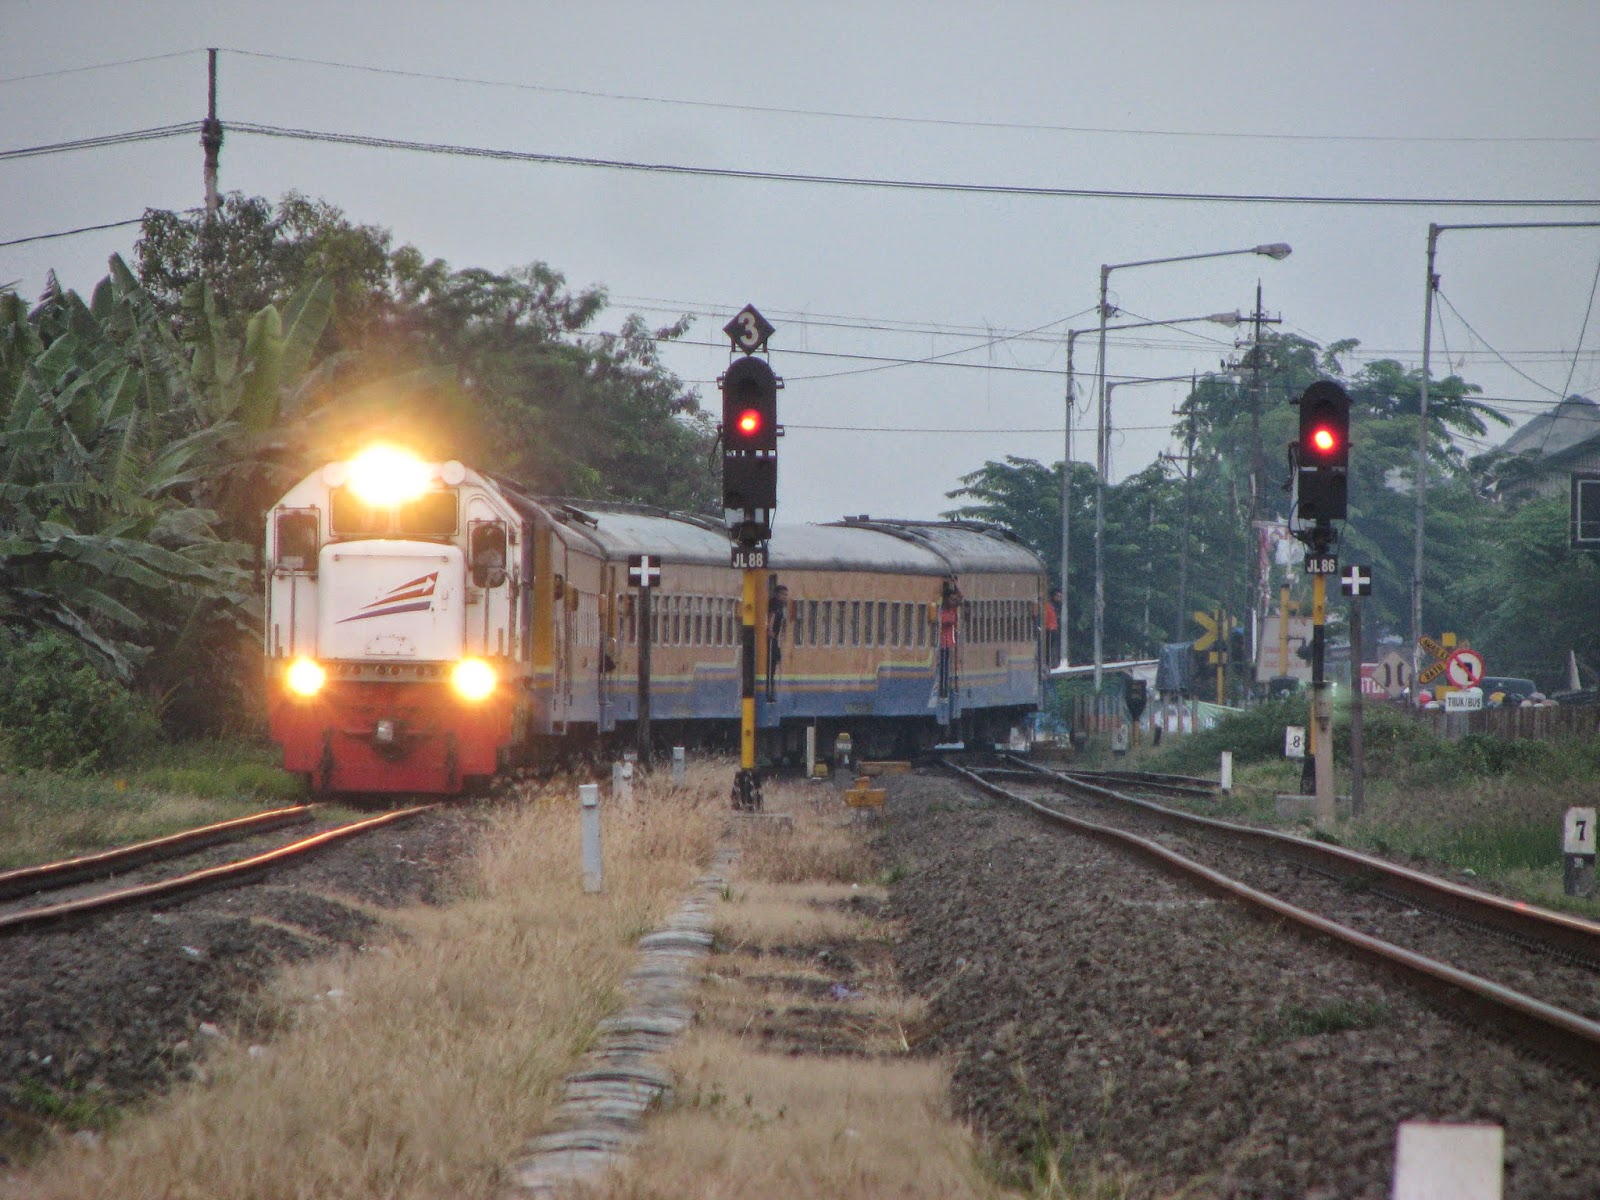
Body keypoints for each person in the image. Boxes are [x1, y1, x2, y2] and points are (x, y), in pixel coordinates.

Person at [1044, 587, 1062, 666]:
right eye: (1058, 596)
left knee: (1051, 648)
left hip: (1053, 629)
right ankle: (1047, 664)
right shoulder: (1048, 606)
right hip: (1049, 630)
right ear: (1053, 596)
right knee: (1048, 649)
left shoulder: (1055, 607)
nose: (1059, 599)